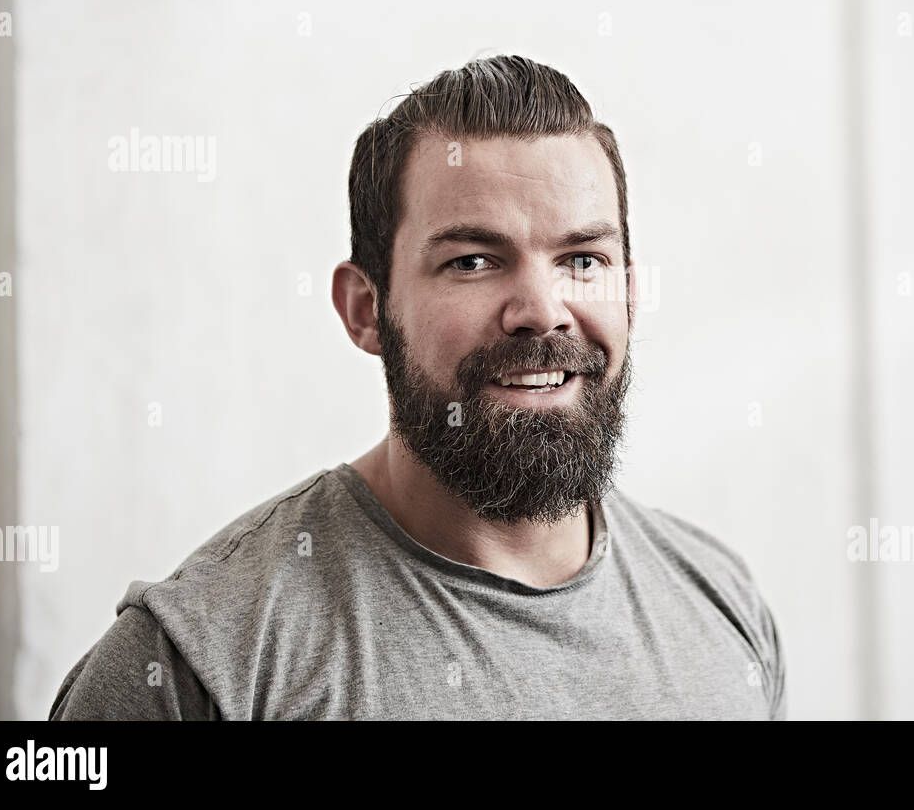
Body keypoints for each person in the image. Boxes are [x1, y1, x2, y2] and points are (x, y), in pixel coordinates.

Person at [49, 54, 787, 720]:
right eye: (472, 261)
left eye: (583, 259)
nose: (541, 311)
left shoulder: (721, 607)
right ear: (366, 310)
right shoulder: (201, 663)